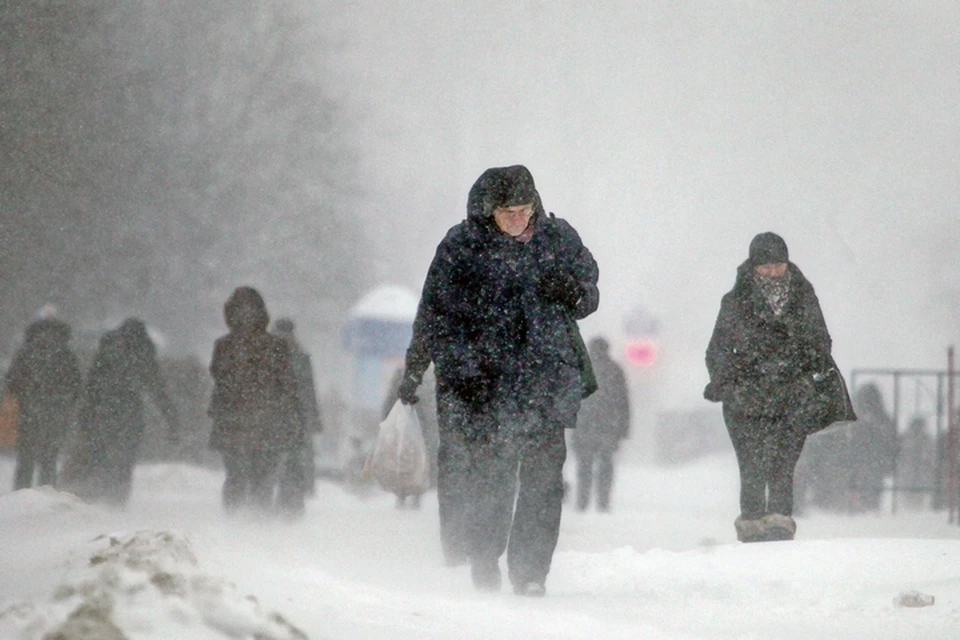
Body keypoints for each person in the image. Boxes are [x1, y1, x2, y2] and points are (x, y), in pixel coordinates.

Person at [397, 165, 599, 596]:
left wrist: (570, 289)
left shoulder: (558, 238)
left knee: (544, 484)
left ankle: (530, 573)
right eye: (508, 211)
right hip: (488, 385)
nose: (517, 220)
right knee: (493, 476)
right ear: (490, 210)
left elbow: (589, 295)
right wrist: (440, 369)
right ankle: (484, 556)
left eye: (525, 210)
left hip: (546, 382)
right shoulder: (461, 247)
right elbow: (436, 315)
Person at [704, 232, 854, 542]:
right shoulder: (734, 302)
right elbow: (717, 349)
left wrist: (810, 370)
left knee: (784, 464)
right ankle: (753, 521)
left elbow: (820, 340)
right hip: (746, 399)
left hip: (791, 396)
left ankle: (779, 521)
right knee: (752, 465)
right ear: (753, 266)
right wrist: (728, 383)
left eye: (779, 265)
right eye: (766, 266)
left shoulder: (804, 296)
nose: (773, 272)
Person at [208, 288, 304, 516]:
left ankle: (234, 522)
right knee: (262, 478)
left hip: (233, 423)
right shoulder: (276, 346)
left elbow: (219, 379)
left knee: (235, 477)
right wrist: (294, 420)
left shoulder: (224, 345)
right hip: (268, 423)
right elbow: (288, 387)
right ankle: (258, 526)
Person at [73, 318, 180, 506]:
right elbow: (157, 389)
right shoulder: (143, 353)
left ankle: (99, 495)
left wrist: (86, 413)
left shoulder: (106, 352)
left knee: (101, 456)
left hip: (102, 411)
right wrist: (171, 418)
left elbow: (92, 384)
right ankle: (117, 501)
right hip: (130, 413)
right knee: (125, 460)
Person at [5, 318, 82, 490]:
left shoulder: (25, 352)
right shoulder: (65, 354)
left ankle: (21, 494)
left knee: (26, 458)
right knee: (49, 458)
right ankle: (46, 494)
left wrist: (25, 396)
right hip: (55, 413)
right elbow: (75, 385)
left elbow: (12, 382)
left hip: (28, 412)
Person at [572, 336, 630, 512]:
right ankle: (603, 502)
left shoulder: (582, 368)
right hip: (608, 428)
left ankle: (583, 502)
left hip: (584, 427)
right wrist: (623, 429)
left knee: (584, 467)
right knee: (605, 466)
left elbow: (572, 398)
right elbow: (623, 402)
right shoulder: (615, 370)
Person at [273, 318, 322, 499]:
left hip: (294, 416)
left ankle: (291, 499)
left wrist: (313, 418)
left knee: (294, 459)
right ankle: (272, 499)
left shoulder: (300, 358)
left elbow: (309, 390)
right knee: (273, 460)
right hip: (276, 416)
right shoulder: (266, 356)